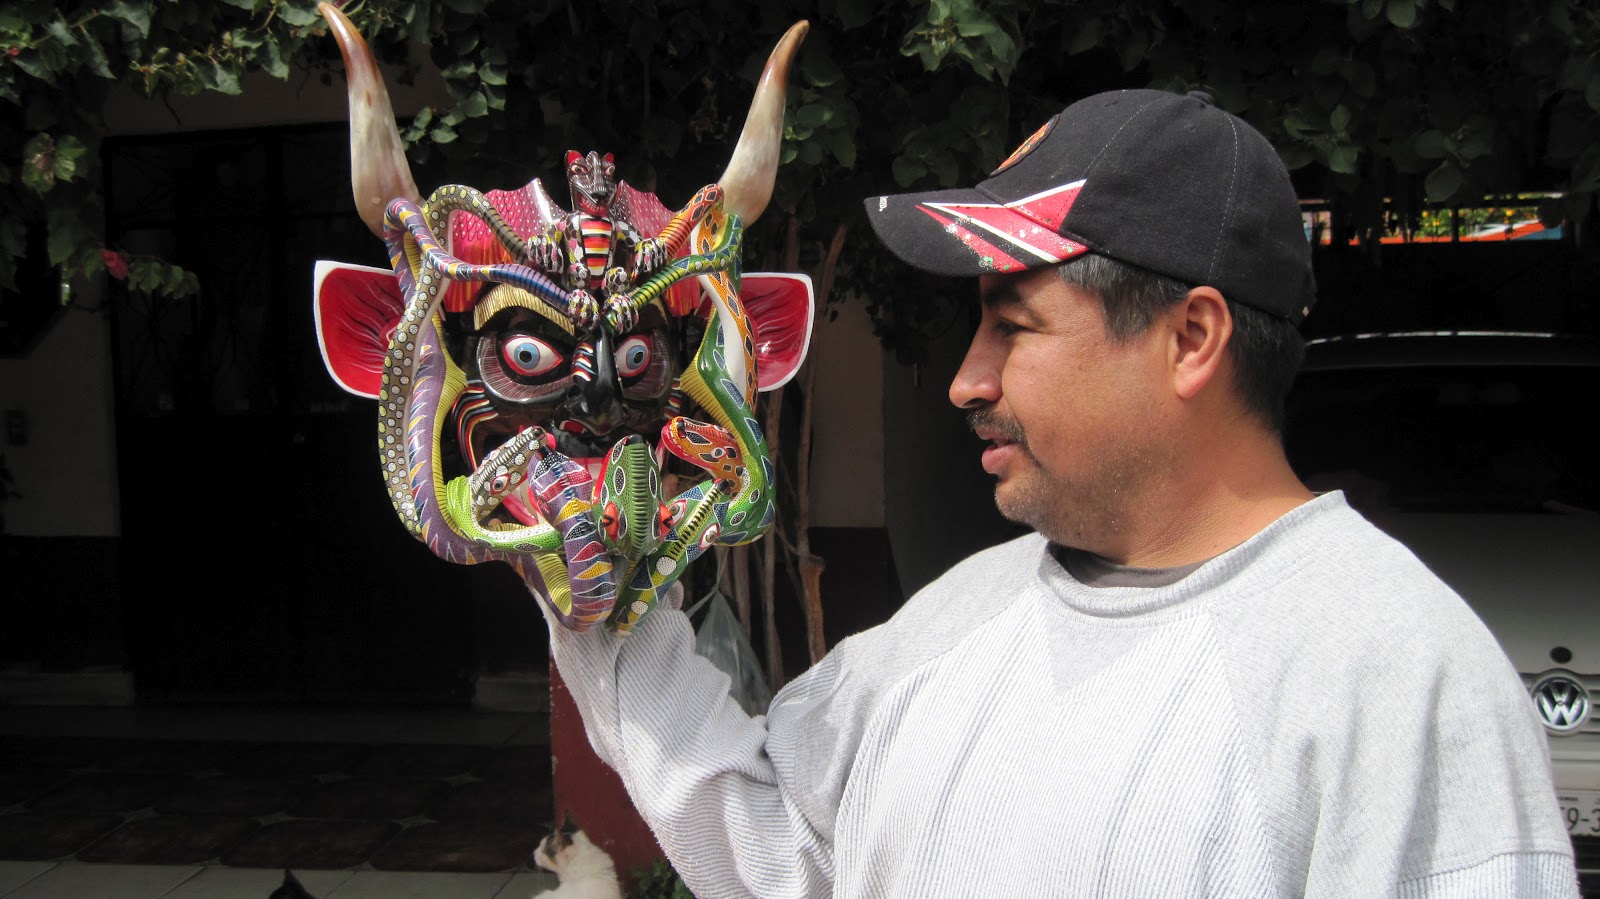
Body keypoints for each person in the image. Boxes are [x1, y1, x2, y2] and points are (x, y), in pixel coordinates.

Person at [547, 89, 1578, 897]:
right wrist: (590, 597)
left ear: (1190, 338)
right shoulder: (960, 616)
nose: (965, 379)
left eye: (1014, 324)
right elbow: (779, 851)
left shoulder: (1398, 677)